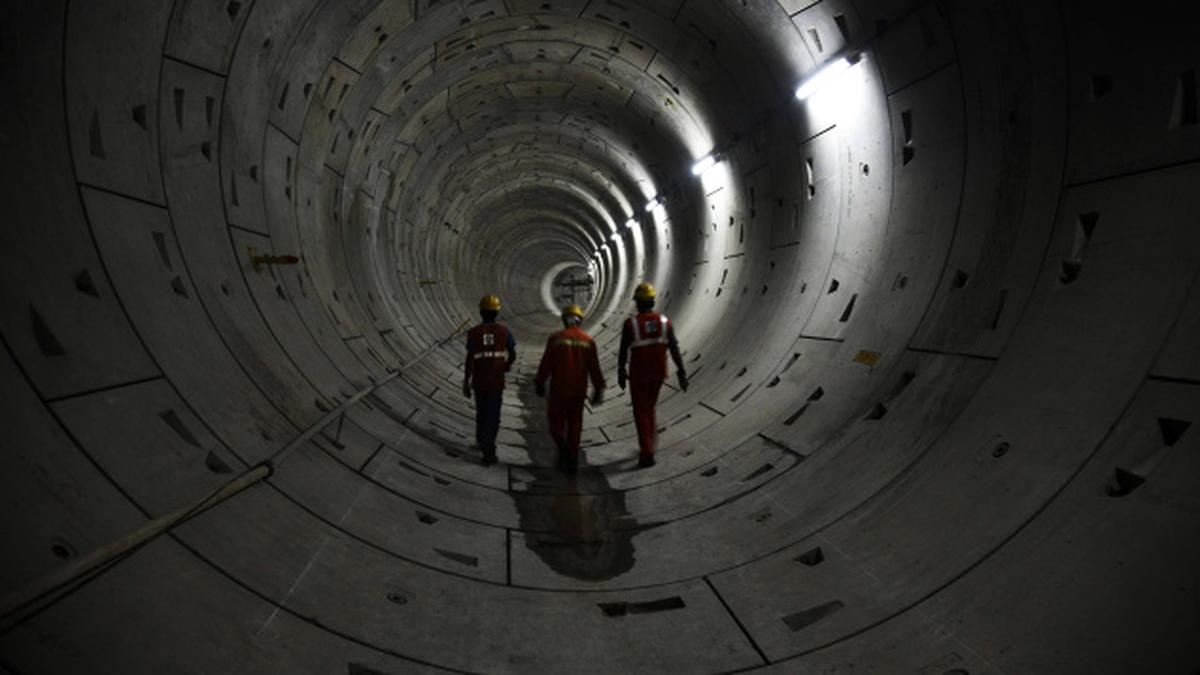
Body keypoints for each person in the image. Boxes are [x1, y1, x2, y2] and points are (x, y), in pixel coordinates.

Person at [617, 282, 688, 468]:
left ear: (637, 303)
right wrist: (681, 372)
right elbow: (674, 347)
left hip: (639, 376)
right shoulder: (665, 323)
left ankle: (647, 453)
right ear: (653, 301)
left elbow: (623, 351)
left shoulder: (630, 324)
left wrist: (621, 372)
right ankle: (651, 443)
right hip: (658, 375)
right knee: (649, 409)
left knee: (641, 413)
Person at [534, 304, 606, 475]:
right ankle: (572, 458)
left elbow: (546, 364)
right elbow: (594, 368)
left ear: (564, 320)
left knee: (555, 424)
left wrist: (539, 382)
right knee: (575, 425)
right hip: (578, 391)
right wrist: (598, 388)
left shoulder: (556, 338)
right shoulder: (588, 341)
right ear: (580, 320)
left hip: (559, 390)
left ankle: (563, 448)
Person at [463, 294, 516, 465]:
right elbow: (513, 353)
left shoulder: (473, 333)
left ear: (481, 312)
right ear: (497, 312)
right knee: (492, 416)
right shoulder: (504, 332)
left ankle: (481, 441)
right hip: (496, 382)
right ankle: (489, 451)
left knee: (482, 412)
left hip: (479, 381)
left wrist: (466, 381)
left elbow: (469, 358)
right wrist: (506, 365)